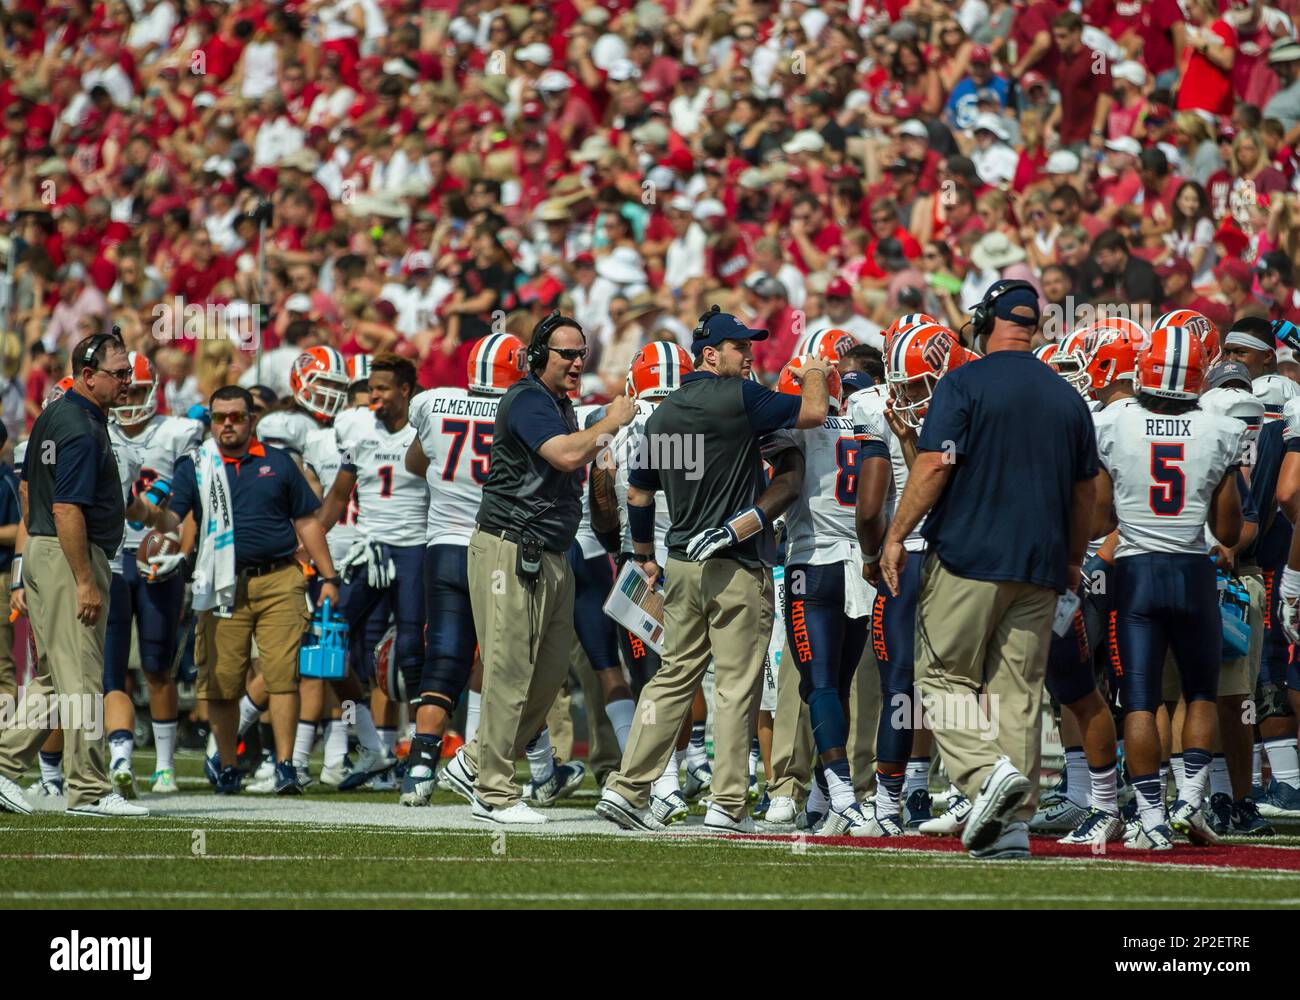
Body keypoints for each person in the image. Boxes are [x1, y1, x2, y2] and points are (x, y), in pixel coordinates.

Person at [877, 281, 1099, 860]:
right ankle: (1013, 828)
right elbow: (1086, 496)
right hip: (1043, 563)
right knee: (1017, 693)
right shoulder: (1067, 397)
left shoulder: (963, 381)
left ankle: (983, 775)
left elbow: (933, 466)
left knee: (940, 678)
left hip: (972, 557)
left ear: (986, 320)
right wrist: (1073, 558)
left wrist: (896, 535)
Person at [595, 306, 833, 833]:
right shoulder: (740, 397)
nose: (749, 354)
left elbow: (637, 491)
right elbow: (814, 414)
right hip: (734, 563)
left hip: (679, 561)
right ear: (709, 354)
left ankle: (628, 788)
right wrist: (814, 370)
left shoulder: (663, 413)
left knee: (672, 676)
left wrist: (641, 555)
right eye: (739, 346)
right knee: (734, 683)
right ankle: (726, 802)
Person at [440, 311, 635, 825]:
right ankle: (494, 793)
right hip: (510, 546)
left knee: (547, 678)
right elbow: (566, 457)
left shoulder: (560, 404)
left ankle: (475, 761)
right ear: (537, 357)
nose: (576, 362)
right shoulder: (527, 398)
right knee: (508, 670)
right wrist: (611, 422)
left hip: (552, 551)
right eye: (565, 353)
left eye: (580, 353)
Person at [0, 333, 171, 817]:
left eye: (129, 374)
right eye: (119, 374)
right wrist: (84, 579)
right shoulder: (80, 425)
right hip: (66, 554)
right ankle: (90, 790)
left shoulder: (58, 415)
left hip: (47, 552)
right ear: (87, 374)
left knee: (57, 680)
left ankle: (4, 760)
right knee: (81, 682)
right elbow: (67, 508)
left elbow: (34, 489)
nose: (127, 382)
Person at [1093, 323, 1244, 850]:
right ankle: (1191, 800)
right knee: (1200, 693)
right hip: (1193, 571)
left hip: (1135, 572)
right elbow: (1227, 530)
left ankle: (1152, 816)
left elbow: (1094, 517)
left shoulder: (1113, 421)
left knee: (1139, 699)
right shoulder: (1220, 428)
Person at [164, 385, 340, 796]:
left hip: (280, 577)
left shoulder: (278, 463)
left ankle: (286, 765)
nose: (227, 424)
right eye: (219, 417)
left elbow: (308, 522)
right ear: (210, 421)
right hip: (222, 581)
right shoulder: (196, 465)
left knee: (282, 676)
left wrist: (328, 576)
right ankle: (227, 765)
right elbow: (173, 516)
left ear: (251, 420)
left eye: (236, 417)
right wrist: (144, 516)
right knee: (222, 681)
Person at [400, 333, 532, 806]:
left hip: (444, 548)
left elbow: (416, 463)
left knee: (446, 655)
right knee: (504, 660)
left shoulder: (435, 403)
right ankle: (491, 764)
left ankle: (419, 768)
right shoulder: (523, 410)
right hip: (495, 546)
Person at [857, 322, 976, 835]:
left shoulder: (973, 405)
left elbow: (945, 494)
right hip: (915, 554)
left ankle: (969, 791)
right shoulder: (889, 411)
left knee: (965, 683)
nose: (903, 396)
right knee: (901, 684)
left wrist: (887, 541)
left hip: (952, 558)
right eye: (899, 384)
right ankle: (891, 803)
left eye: (914, 385)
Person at [317, 352, 430, 790]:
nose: (374, 397)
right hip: (369, 550)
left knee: (411, 654)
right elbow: (338, 494)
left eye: (383, 389)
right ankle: (370, 747)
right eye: (371, 388)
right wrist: (309, 544)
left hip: (415, 549)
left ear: (406, 390)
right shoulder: (356, 427)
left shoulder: (426, 426)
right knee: (328, 645)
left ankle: (420, 756)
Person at [103, 352, 206, 797]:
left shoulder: (176, 432)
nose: (129, 403)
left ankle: (164, 765)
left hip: (155, 556)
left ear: (155, 390)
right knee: (107, 670)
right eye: (126, 391)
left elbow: (191, 497)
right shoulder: (97, 430)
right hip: (108, 555)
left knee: (156, 663)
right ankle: (113, 756)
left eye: (139, 392)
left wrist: (181, 554)